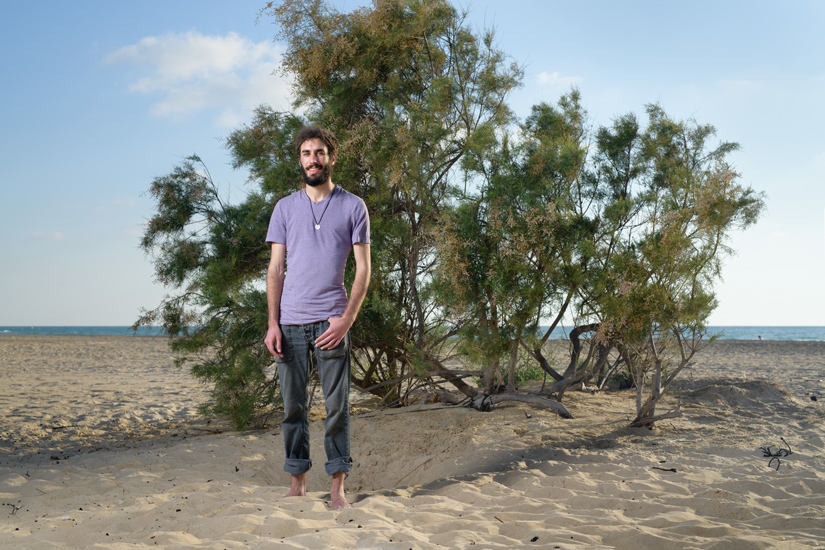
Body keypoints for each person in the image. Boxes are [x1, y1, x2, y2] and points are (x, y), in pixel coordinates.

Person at [264, 125, 371, 510]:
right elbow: (276, 270)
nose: (314, 159)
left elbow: (363, 270)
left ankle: (338, 487)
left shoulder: (353, 206)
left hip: (331, 323)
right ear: (300, 159)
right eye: (307, 153)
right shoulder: (284, 208)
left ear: (332, 157)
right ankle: (297, 483)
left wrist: (345, 320)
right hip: (289, 323)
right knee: (293, 407)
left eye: (321, 152)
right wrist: (273, 324)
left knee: (336, 407)